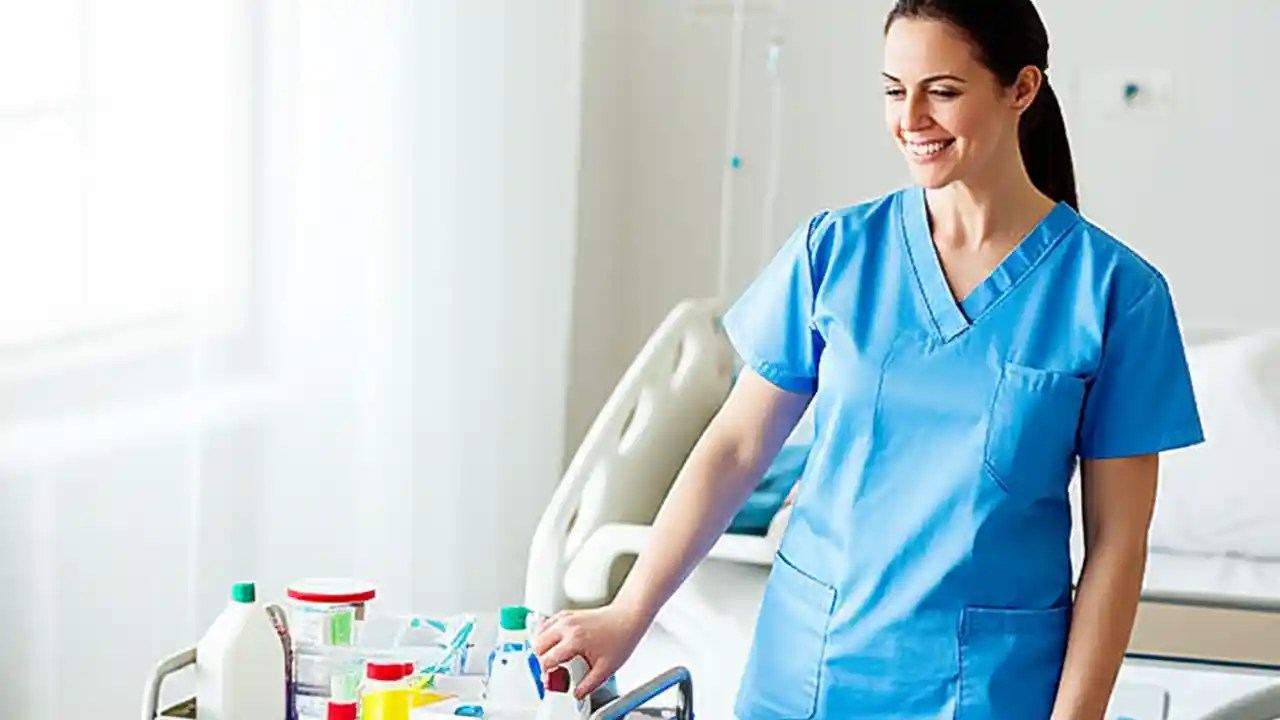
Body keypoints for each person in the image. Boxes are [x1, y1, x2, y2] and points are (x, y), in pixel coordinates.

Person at [532, 0, 1205, 716]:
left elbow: (1116, 550)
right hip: (808, 674)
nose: (910, 118)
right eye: (894, 89)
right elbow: (734, 448)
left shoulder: (1115, 295)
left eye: (941, 91)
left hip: (987, 688)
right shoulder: (836, 252)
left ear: (1022, 89)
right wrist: (628, 613)